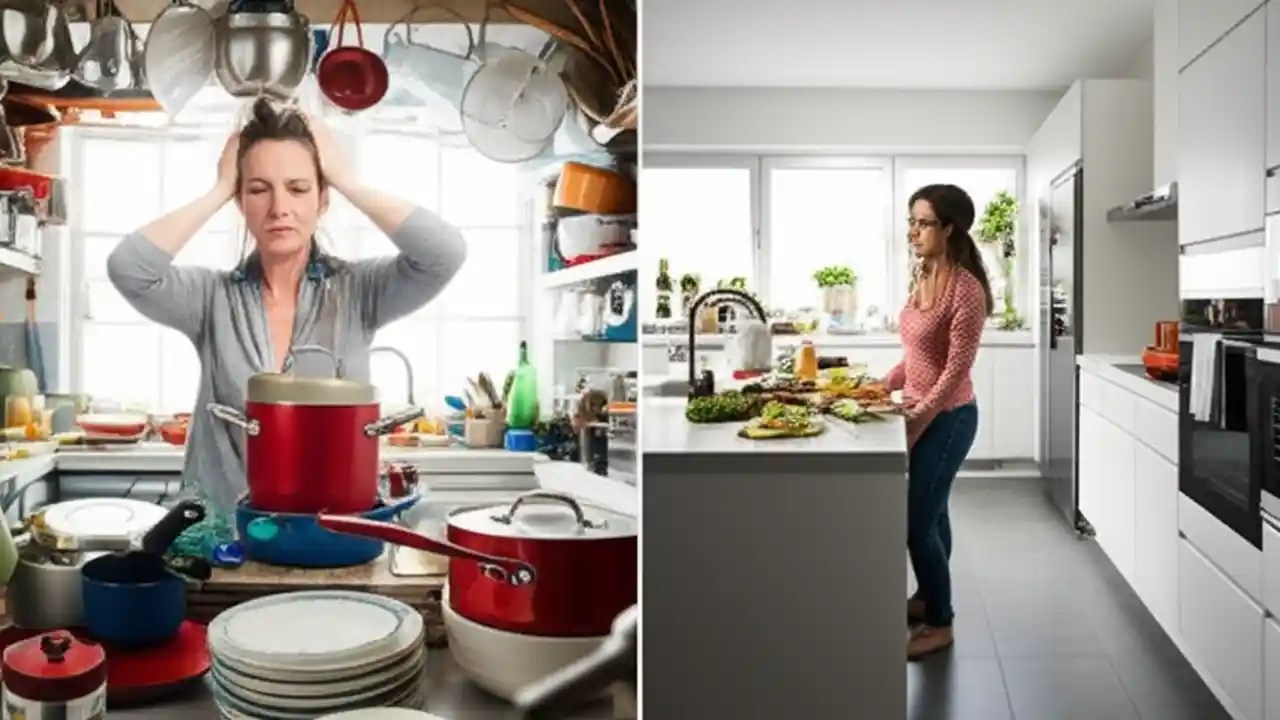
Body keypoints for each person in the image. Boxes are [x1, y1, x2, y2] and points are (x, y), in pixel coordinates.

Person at [106, 97, 467, 527]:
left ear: (322, 199)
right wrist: (221, 188)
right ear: (242, 203)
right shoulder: (210, 298)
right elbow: (128, 268)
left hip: (333, 533)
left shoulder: (358, 292)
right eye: (258, 189)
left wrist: (347, 179)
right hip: (224, 539)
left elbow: (444, 253)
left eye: (298, 188)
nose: (280, 208)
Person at [882, 183, 992, 660]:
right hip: (921, 412)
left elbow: (956, 369)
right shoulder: (922, 273)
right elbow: (918, 355)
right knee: (935, 512)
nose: (913, 231)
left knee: (916, 523)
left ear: (949, 228)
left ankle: (940, 621)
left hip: (949, 419)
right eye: (911, 221)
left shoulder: (966, 290)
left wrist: (923, 414)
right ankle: (929, 596)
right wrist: (882, 384)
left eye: (923, 222)